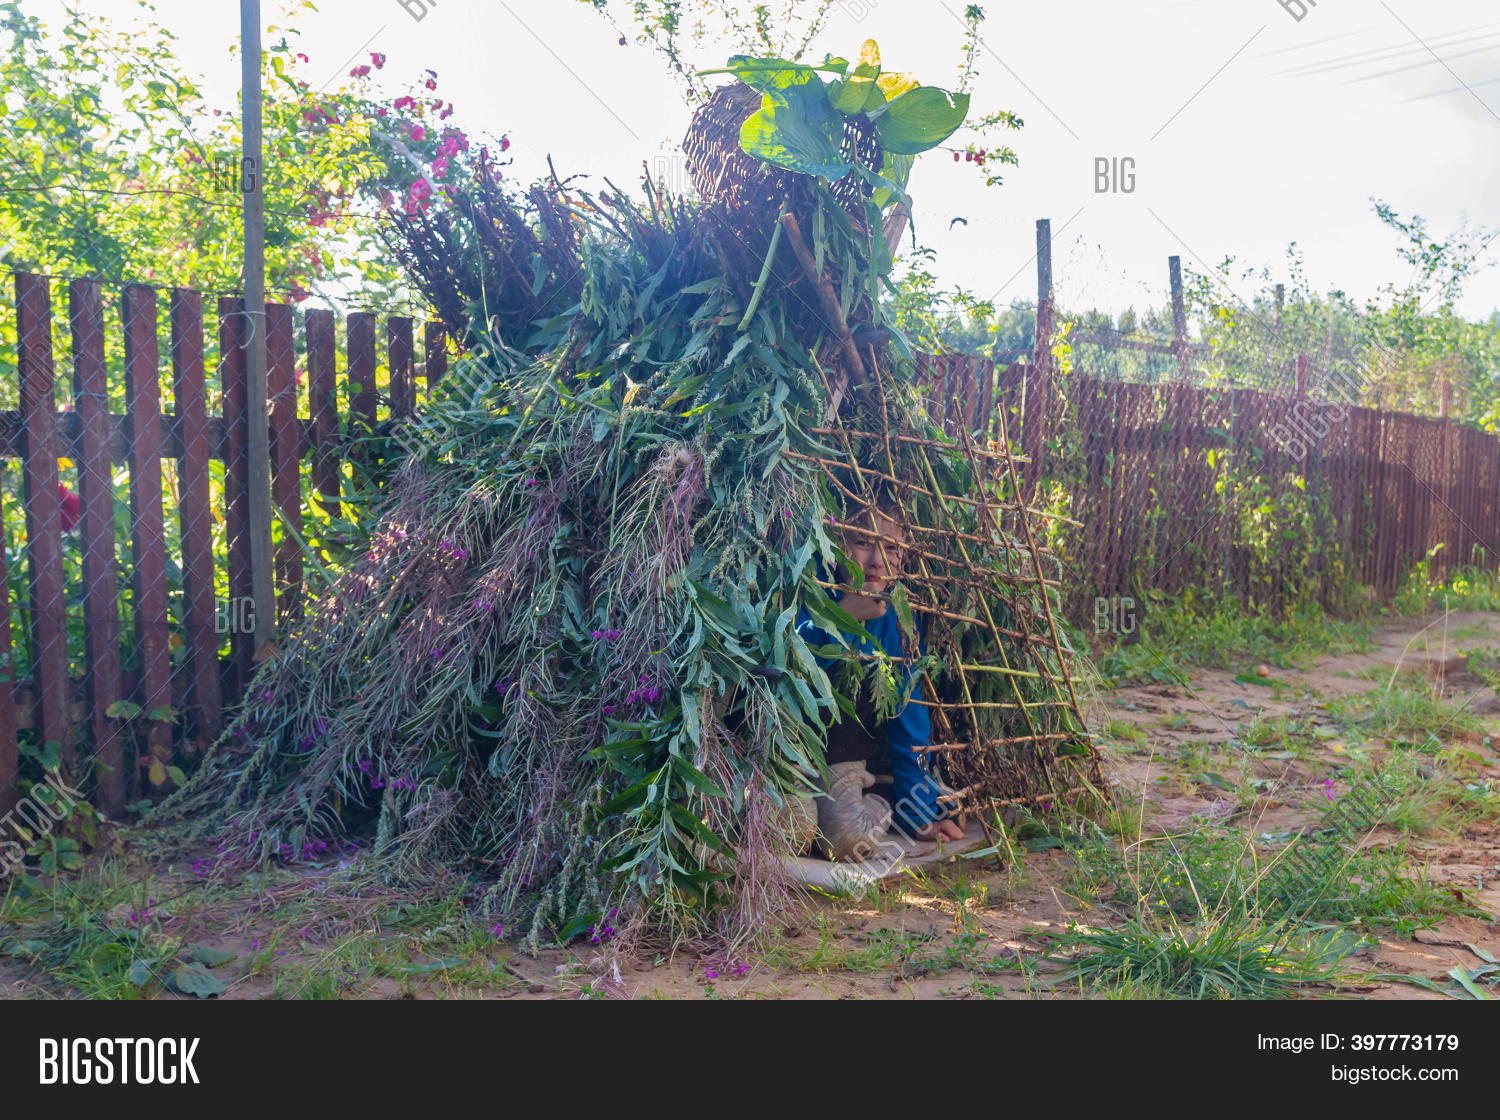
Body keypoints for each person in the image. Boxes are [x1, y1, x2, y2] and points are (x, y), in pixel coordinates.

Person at [794, 498, 965, 859]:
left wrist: (919, 814)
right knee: (789, 832)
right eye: (862, 542)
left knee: (848, 843)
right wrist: (841, 616)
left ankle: (881, 795)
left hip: (844, 759)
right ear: (835, 541)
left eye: (890, 547)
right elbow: (786, 664)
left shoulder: (897, 620)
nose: (876, 560)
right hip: (789, 752)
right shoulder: (806, 587)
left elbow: (909, 716)